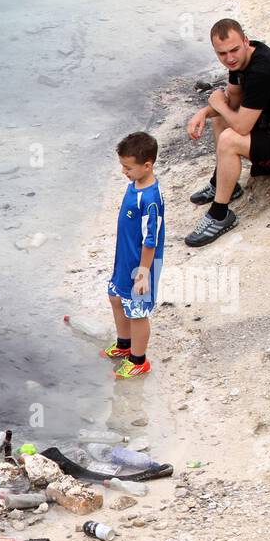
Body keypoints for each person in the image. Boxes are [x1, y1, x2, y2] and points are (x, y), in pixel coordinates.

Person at [184, 18, 270, 247]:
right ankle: (225, 185)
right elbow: (231, 101)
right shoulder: (240, 63)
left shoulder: (262, 70)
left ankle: (220, 215)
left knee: (230, 138)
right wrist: (204, 112)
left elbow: (241, 127)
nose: (229, 58)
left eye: (234, 50)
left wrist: (217, 105)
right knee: (222, 118)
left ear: (246, 41)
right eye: (222, 54)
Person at [101, 131, 165, 379]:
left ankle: (139, 360)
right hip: (124, 258)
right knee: (116, 297)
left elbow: (151, 241)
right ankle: (123, 344)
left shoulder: (150, 199)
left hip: (141, 265)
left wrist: (143, 273)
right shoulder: (134, 185)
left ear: (147, 165)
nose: (123, 172)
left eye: (127, 167)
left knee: (137, 311)